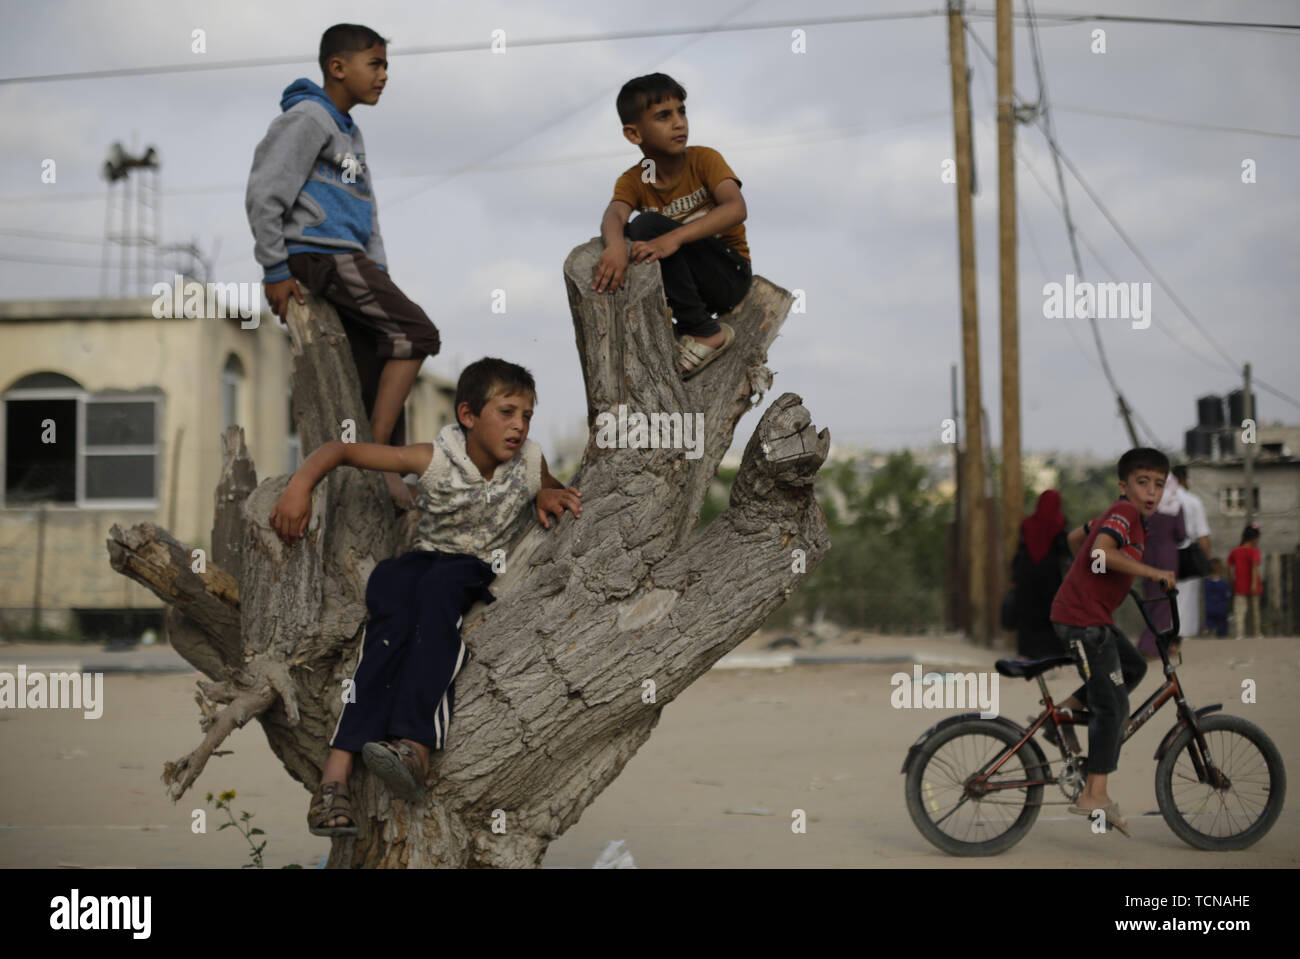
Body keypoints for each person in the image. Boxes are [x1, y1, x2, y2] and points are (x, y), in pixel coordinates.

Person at [269, 358, 583, 835]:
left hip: (474, 570)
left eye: (526, 415)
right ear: (468, 416)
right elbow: (339, 450)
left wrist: (546, 495)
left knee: (436, 601)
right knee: (391, 608)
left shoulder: (530, 462)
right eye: (507, 411)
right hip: (424, 562)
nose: (519, 424)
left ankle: (414, 746)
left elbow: (550, 488)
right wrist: (298, 486)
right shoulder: (432, 458)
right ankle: (335, 776)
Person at [246, 23, 440, 508]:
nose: (384, 75)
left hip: (350, 257)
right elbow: (264, 193)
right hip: (319, 253)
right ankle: (370, 459)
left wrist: (380, 274)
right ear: (338, 67)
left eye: (386, 66)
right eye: (375, 64)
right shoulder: (309, 118)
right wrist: (274, 268)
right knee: (418, 333)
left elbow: (364, 213)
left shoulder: (351, 133)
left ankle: (386, 475)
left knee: (382, 356)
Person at [1048, 447, 1177, 837]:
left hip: (1089, 615)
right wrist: (1150, 571)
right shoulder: (1126, 514)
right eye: (1142, 483)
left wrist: (1098, 577)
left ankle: (1064, 715)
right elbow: (1103, 551)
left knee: (1134, 667)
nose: (1151, 492)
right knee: (1114, 704)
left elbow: (1079, 541)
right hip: (1082, 620)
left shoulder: (1116, 514)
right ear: (1124, 485)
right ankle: (1093, 795)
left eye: (1158, 484)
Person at [592, 73, 752, 379]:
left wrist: (674, 238)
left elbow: (736, 208)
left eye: (682, 111)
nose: (679, 123)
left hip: (728, 275)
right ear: (634, 134)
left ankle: (705, 333)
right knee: (631, 234)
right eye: (664, 116)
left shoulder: (704, 159)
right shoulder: (635, 179)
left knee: (649, 225)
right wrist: (614, 247)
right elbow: (613, 215)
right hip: (688, 287)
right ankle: (660, 327)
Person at [1010, 490, 1072, 659]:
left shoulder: (1027, 523)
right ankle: (1055, 650)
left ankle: (1028, 651)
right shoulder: (1060, 522)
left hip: (1026, 573)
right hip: (1050, 574)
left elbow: (1020, 549)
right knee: (1052, 611)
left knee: (1028, 612)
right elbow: (1065, 549)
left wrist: (1014, 575)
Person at [1136, 472, 1186, 658]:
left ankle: (1152, 643)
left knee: (1150, 599)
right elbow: (1181, 534)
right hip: (1168, 558)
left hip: (1146, 556)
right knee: (1165, 602)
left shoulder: (1145, 505)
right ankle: (1151, 644)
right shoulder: (1175, 506)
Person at [1171, 465, 1211, 636]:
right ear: (1185, 480)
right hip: (1189, 551)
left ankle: (1169, 631)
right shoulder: (1194, 501)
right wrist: (1206, 560)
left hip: (1165, 552)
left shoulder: (1160, 501)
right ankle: (1184, 633)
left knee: (1167, 595)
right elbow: (1202, 534)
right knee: (1187, 595)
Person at [1227, 524, 1263, 640]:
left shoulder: (1235, 551)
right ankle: (1257, 633)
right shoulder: (1254, 551)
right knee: (1255, 612)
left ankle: (1239, 633)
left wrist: (1231, 580)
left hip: (1239, 585)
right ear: (1254, 538)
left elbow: (1229, 567)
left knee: (1239, 611)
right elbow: (1255, 568)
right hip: (1253, 586)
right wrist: (1253, 584)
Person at [1203, 558, 1231, 638]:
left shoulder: (1205, 582)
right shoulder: (1223, 583)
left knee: (1209, 622)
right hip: (1221, 608)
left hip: (1209, 607)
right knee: (1222, 627)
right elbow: (1227, 594)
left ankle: (1207, 629)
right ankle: (1221, 635)